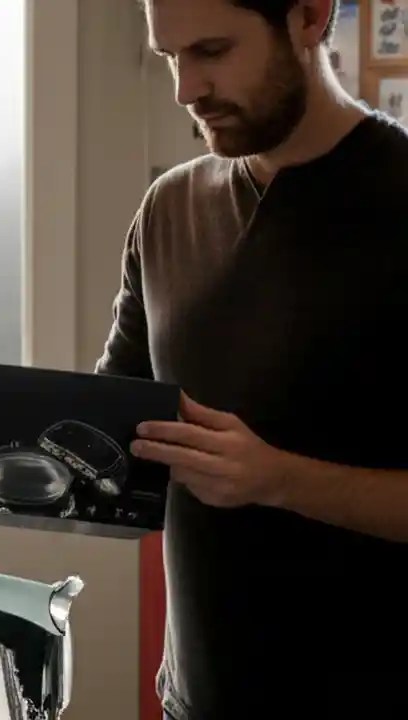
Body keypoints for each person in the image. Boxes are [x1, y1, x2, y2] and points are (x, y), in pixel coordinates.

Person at [95, 0, 408, 718]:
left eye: (211, 51)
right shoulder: (168, 211)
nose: (185, 89)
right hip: (194, 703)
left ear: (308, 17)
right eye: (170, 57)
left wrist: (278, 480)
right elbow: (116, 422)